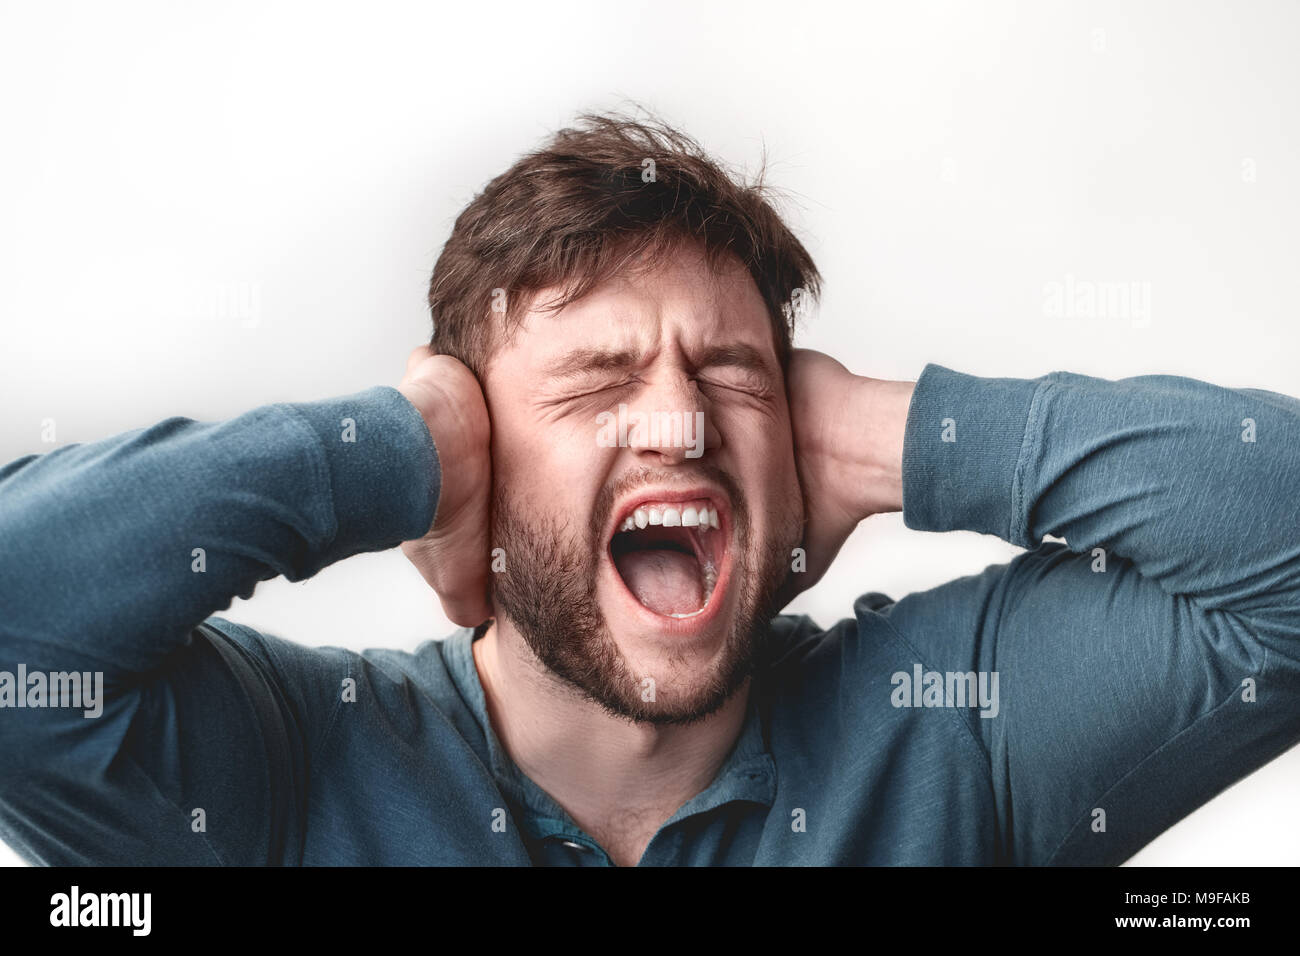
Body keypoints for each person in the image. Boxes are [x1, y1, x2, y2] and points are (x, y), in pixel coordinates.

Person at [2, 112, 1297, 866]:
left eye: (731, 375)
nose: (678, 418)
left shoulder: (958, 738)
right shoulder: (291, 776)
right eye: (598, 380)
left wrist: (880, 440)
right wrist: (402, 450)